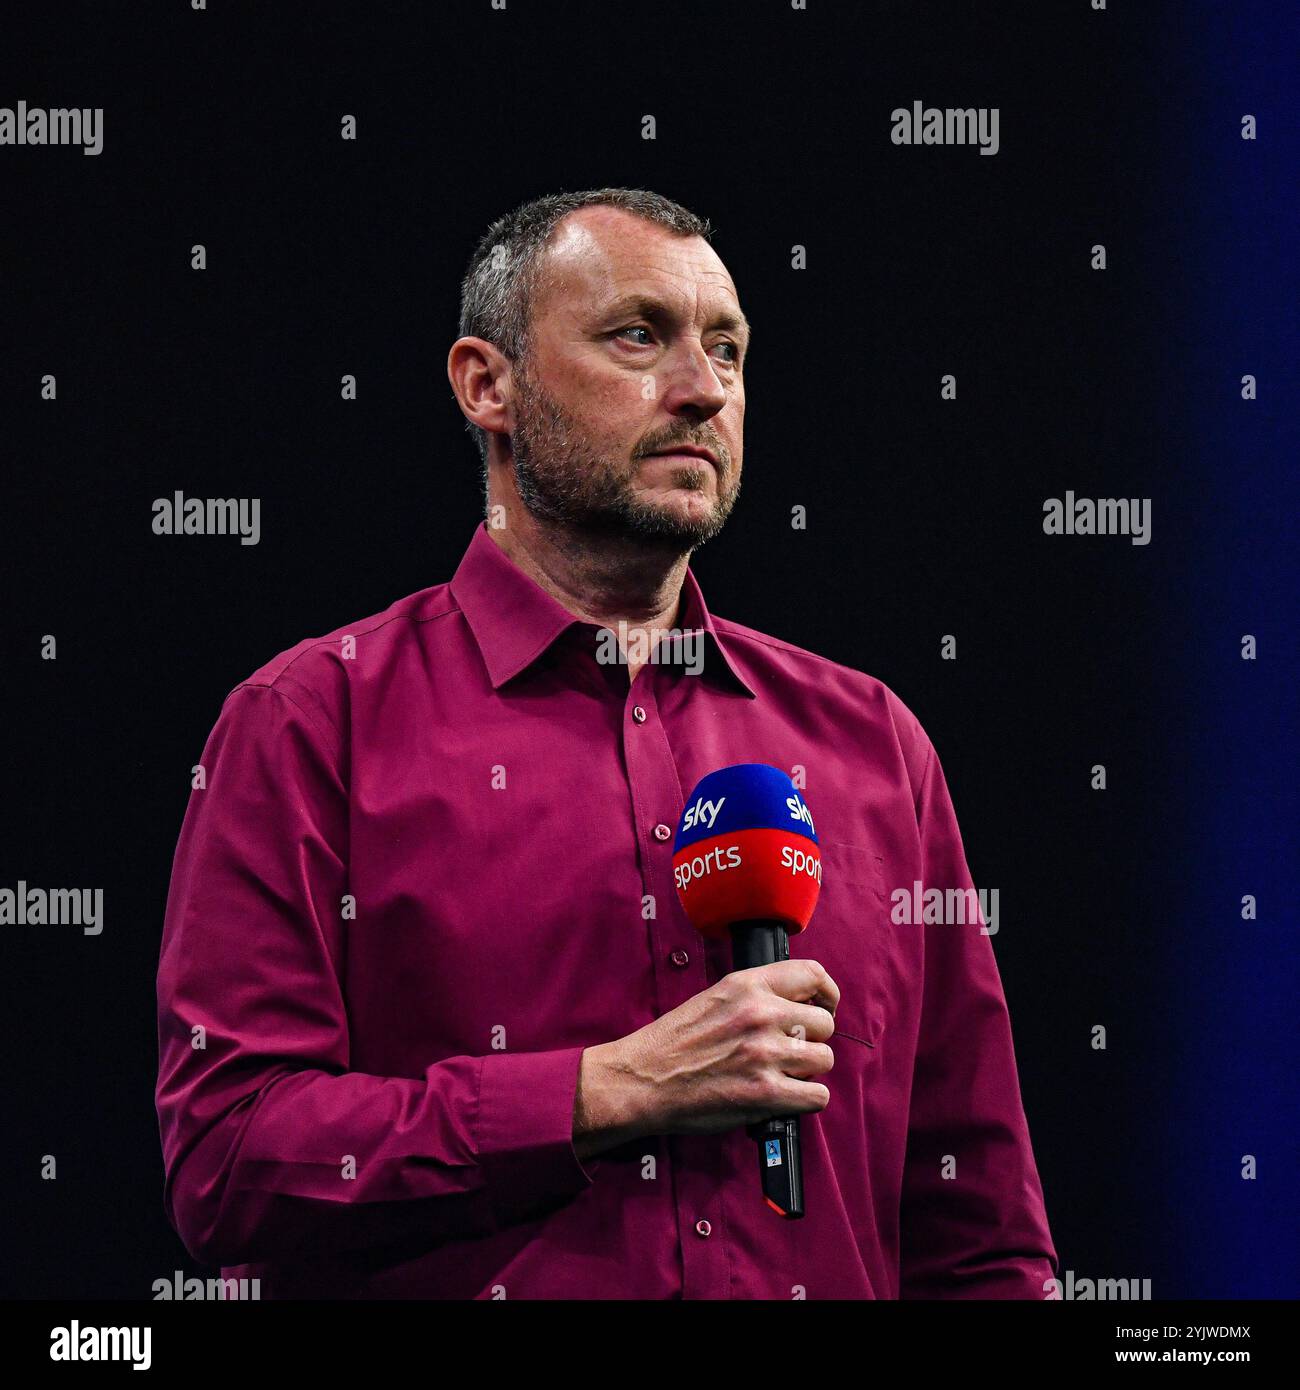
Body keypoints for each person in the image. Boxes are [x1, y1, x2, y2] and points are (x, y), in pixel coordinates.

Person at [155, 187, 1058, 1299]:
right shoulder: (310, 723)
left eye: (726, 348)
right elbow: (230, 1160)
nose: (702, 389)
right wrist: (605, 1091)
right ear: (487, 386)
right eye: (639, 335)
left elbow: (979, 1234)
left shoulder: (874, 742)